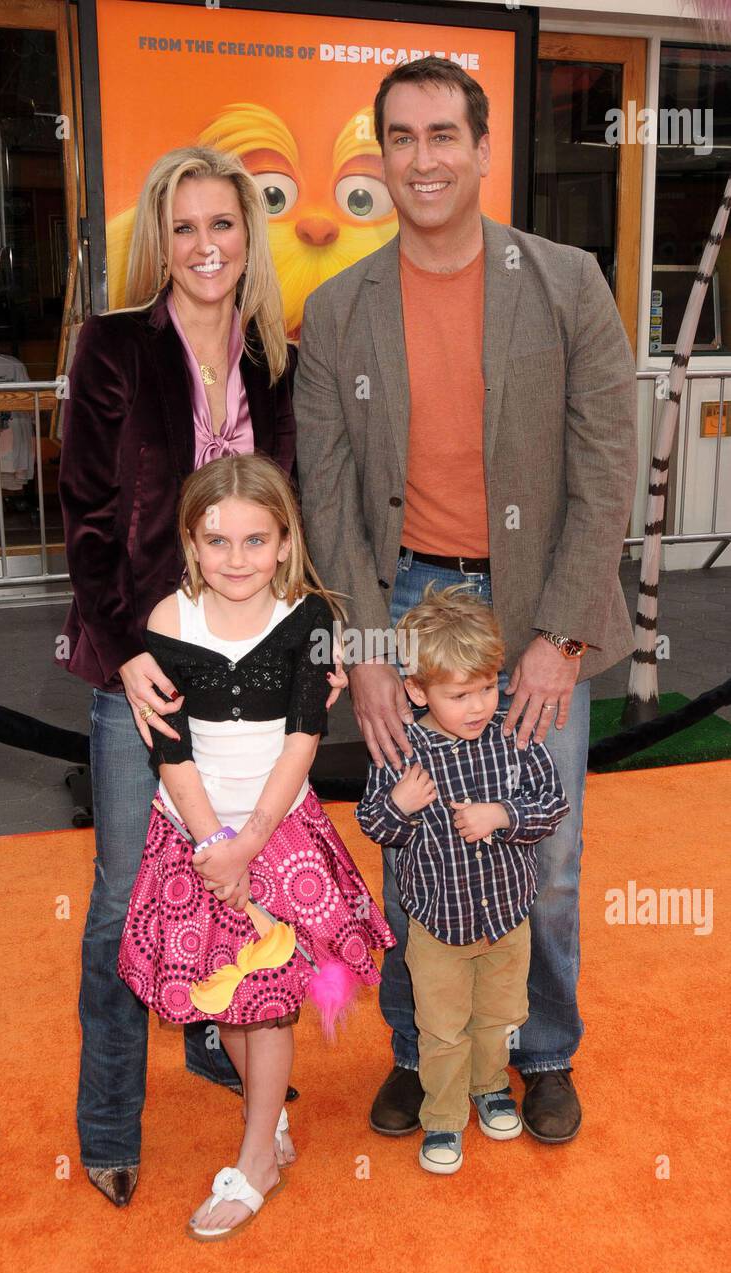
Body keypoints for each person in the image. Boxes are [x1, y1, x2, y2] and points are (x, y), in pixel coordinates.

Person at [294, 57, 638, 1143]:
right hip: (396, 600)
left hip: (532, 600)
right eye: (400, 138)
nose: (422, 158)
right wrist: (362, 649)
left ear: (484, 150)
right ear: (381, 156)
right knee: (414, 838)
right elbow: (329, 494)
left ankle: (538, 1053)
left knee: (545, 846)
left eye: (443, 135)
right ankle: (419, 1048)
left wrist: (562, 634)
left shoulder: (567, 281)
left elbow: (602, 465)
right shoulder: (336, 308)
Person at [57, 146, 297, 1208]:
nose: (206, 247)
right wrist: (133, 653)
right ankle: (109, 1120)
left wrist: (307, 647)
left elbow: (290, 525)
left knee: (234, 874)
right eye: (186, 227)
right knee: (121, 899)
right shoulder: (112, 348)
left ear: (249, 236)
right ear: (163, 239)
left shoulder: (273, 357)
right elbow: (91, 525)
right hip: (138, 665)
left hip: (248, 671)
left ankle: (217, 1037)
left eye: (224, 225)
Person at [116, 452, 394, 1239]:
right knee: (225, 994)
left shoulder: (309, 621)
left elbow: (305, 740)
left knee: (267, 1005)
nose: (236, 559)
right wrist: (213, 845)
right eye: (217, 541)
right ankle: (268, 1123)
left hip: (278, 832)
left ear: (284, 541)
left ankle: (257, 1154)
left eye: (254, 540)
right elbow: (168, 752)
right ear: (191, 542)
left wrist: (250, 846)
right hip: (193, 834)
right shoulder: (170, 620)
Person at [356, 584, 569, 1173]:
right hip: (437, 926)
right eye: (459, 694)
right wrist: (399, 804)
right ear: (417, 690)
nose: (478, 705)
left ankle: (491, 1088)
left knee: (499, 1016)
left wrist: (505, 816)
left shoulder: (514, 738)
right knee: (442, 1027)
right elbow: (376, 826)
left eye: (486, 687)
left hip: (507, 917)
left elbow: (552, 805)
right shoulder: (400, 753)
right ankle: (444, 1117)